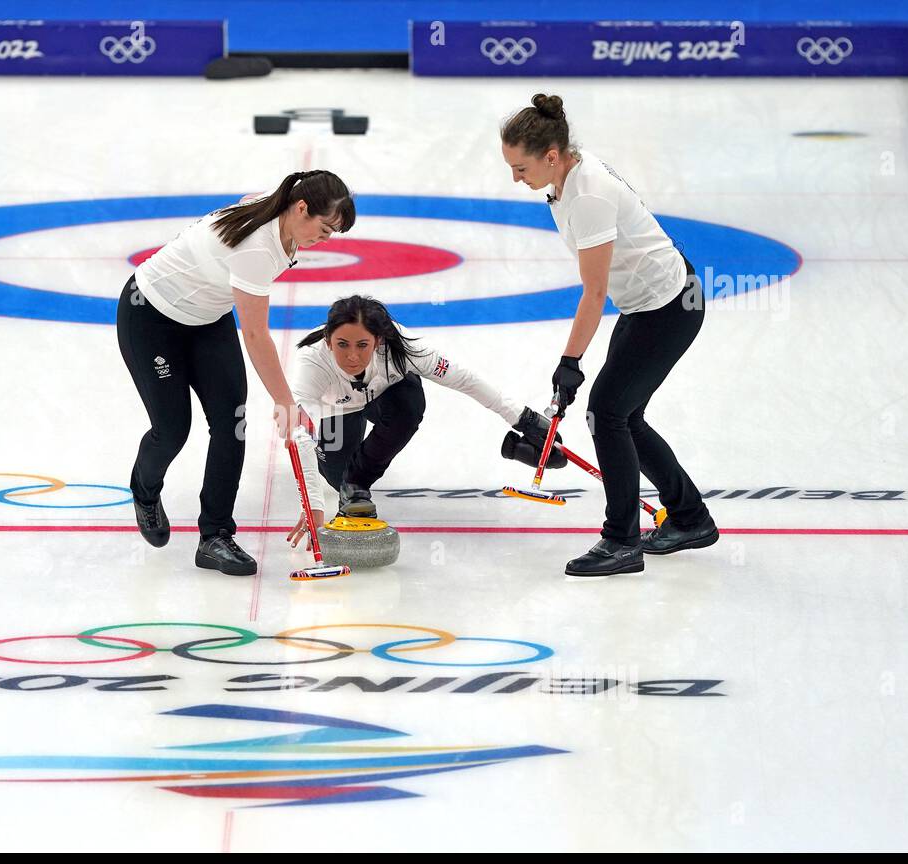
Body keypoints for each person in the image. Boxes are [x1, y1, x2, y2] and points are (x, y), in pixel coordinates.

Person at [500, 93, 718, 577]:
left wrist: (570, 363)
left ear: (552, 156)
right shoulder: (564, 182)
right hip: (648, 302)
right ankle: (689, 517)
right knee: (624, 416)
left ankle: (621, 541)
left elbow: (594, 292)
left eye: (520, 167)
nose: (516, 178)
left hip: (669, 307)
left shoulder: (589, 193)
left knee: (607, 413)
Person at [118, 170, 355, 576]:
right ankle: (144, 488)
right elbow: (257, 335)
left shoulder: (278, 204)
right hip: (150, 317)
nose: (325, 240)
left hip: (206, 319)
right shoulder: (257, 250)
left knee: (232, 423)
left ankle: (214, 536)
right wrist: (286, 403)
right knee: (172, 429)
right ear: (301, 208)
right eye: (325, 228)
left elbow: (251, 197)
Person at [285, 294, 562, 546]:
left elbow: (464, 379)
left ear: (378, 341)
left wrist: (524, 419)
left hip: (384, 398)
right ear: (328, 340)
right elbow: (299, 434)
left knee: (408, 404)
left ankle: (356, 485)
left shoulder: (403, 348)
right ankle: (344, 477)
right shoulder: (313, 362)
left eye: (362, 345)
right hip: (337, 410)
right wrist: (313, 505)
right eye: (342, 344)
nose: (352, 356)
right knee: (334, 476)